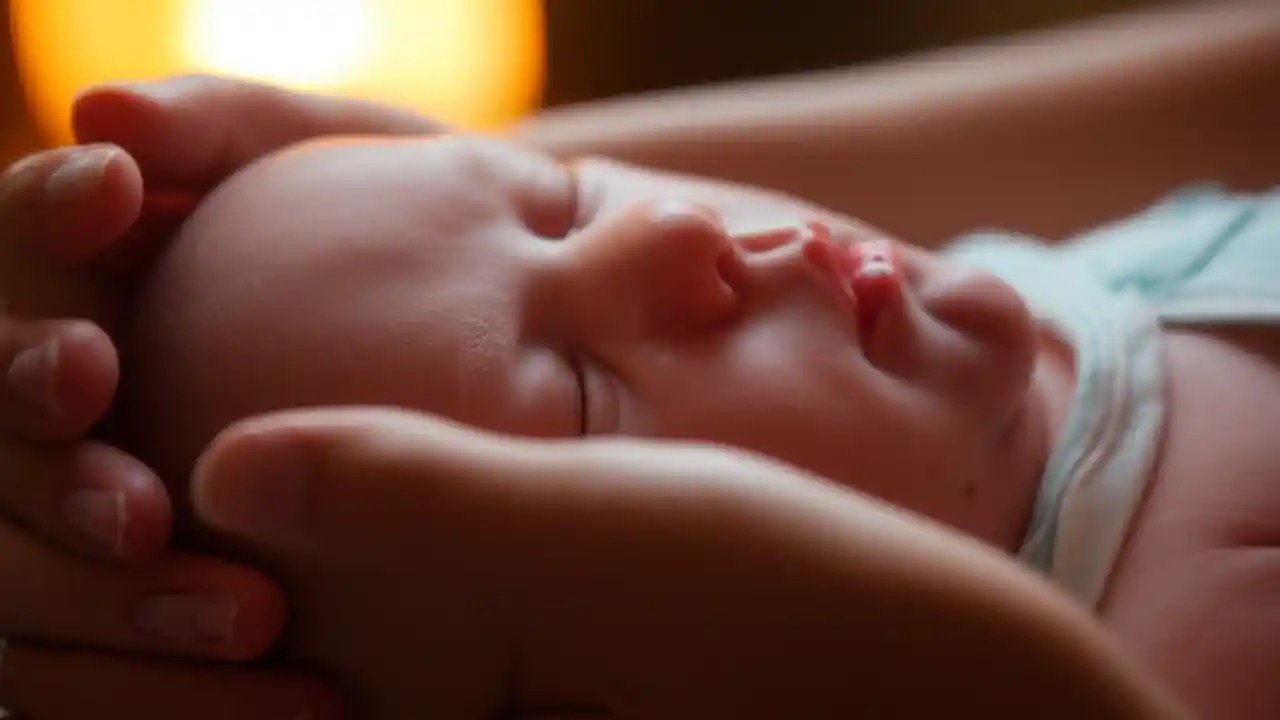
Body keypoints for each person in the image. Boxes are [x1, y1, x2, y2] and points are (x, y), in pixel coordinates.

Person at [0, 3, 1273, 717]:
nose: (676, 231)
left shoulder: (1071, 280)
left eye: (566, 202)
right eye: (578, 393)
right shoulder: (1166, 645)